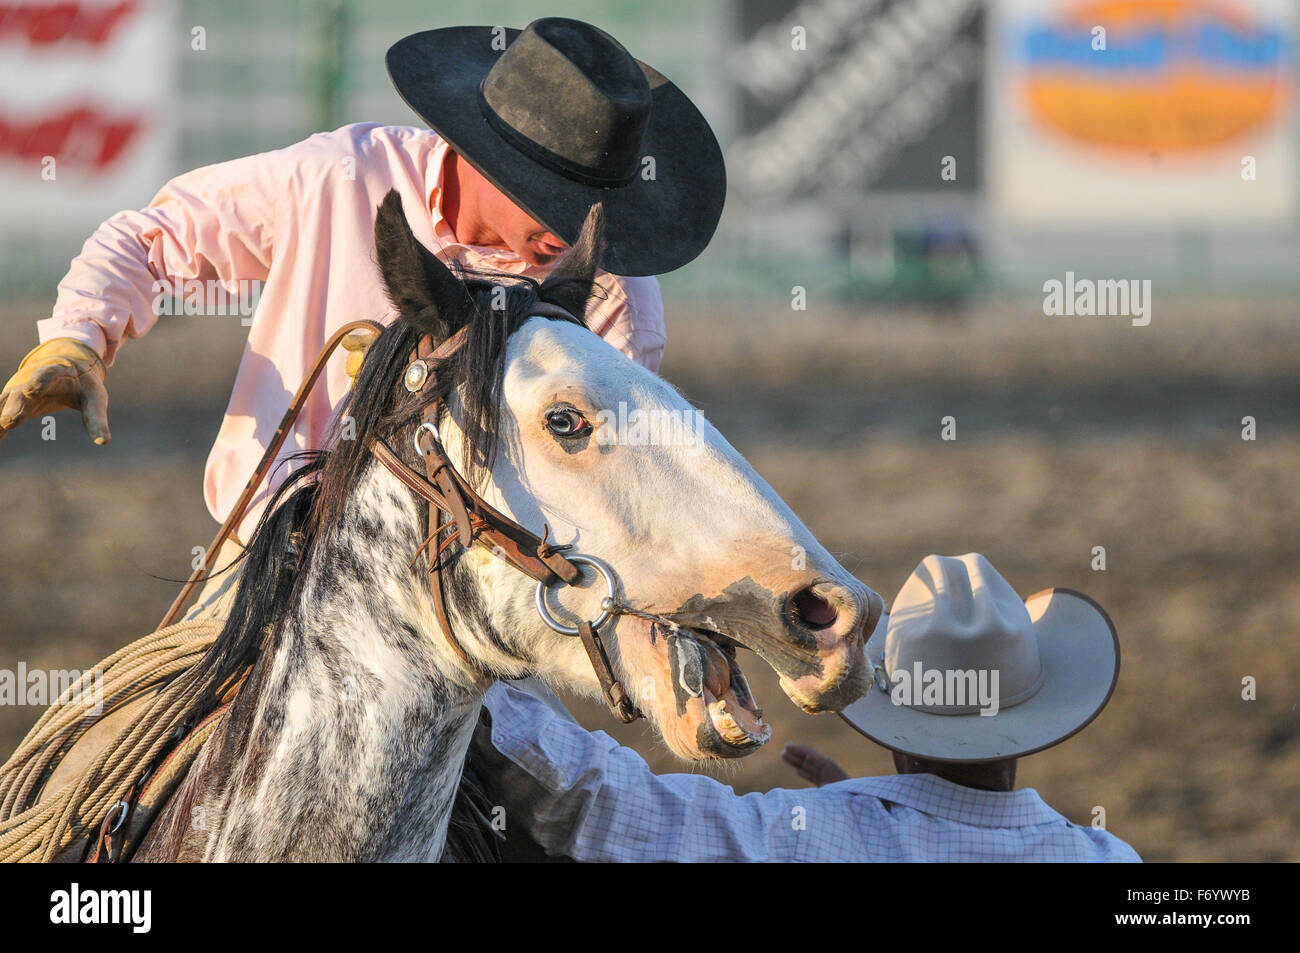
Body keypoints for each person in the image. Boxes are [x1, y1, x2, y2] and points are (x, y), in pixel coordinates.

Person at [471, 554, 1142, 862]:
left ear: (897, 731)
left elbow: (601, 805)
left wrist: (481, 679)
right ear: (1025, 727)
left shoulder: (813, 837)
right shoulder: (1109, 857)